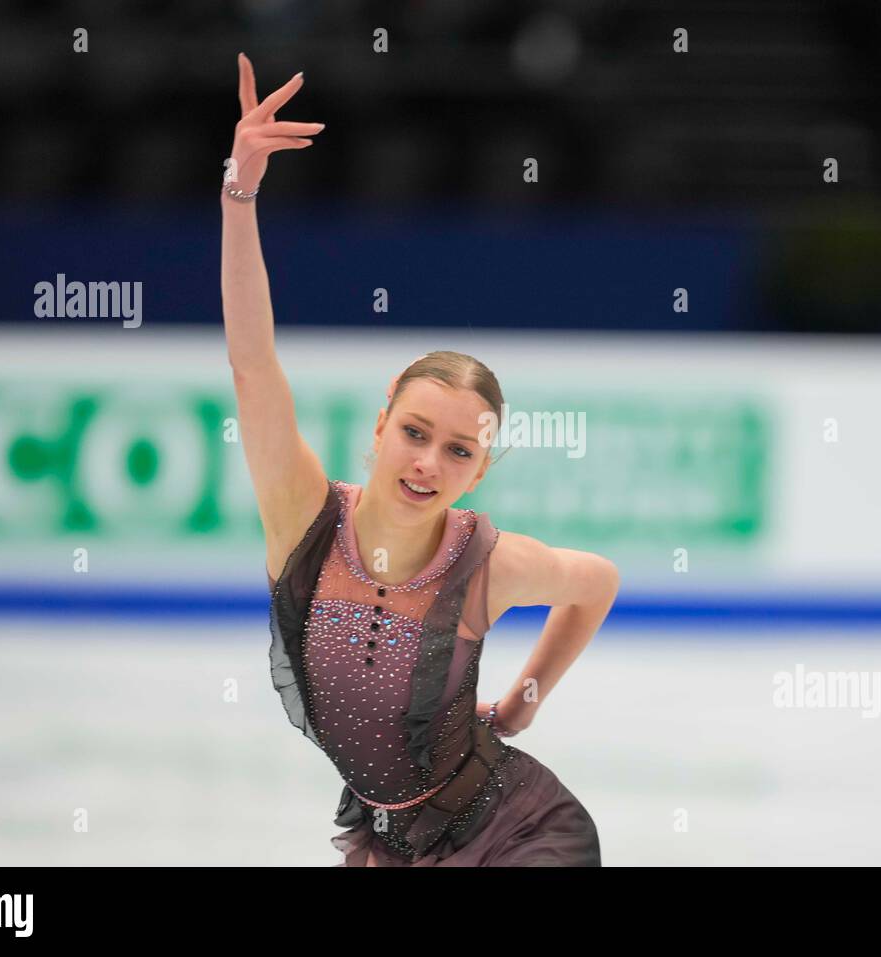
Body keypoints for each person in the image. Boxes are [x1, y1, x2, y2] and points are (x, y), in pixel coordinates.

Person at [222, 54, 618, 865]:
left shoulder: (489, 564)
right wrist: (240, 189)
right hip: (395, 841)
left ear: (480, 471)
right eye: (414, 431)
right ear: (379, 426)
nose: (429, 461)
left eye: (458, 450)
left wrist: (528, 698)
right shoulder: (301, 514)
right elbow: (253, 363)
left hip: (524, 834)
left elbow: (596, 582)